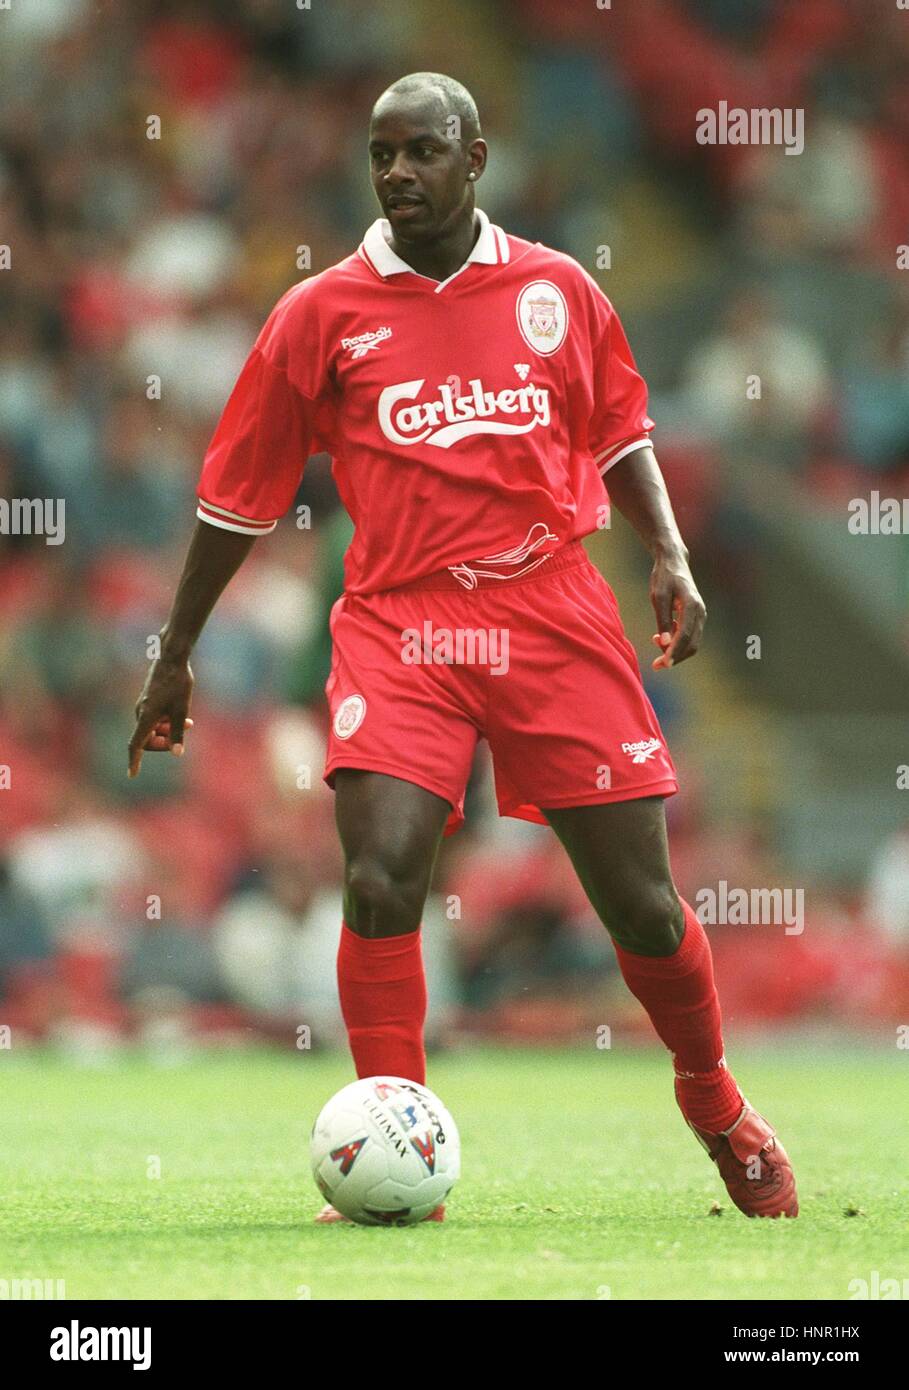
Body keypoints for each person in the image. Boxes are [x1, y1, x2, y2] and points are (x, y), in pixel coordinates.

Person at [128, 72, 797, 1222]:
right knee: (382, 871)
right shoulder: (320, 315)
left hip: (551, 610)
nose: (398, 173)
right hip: (401, 623)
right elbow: (236, 496)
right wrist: (175, 650)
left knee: (642, 905)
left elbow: (621, 428)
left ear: (476, 159)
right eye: (381, 154)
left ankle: (714, 1098)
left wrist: (672, 554)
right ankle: (404, 1153)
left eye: (423, 151)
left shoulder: (559, 290)